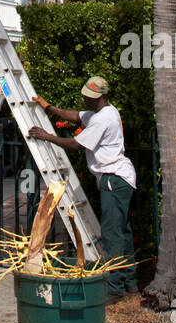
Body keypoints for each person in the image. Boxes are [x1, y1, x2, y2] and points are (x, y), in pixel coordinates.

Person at [28, 74, 137, 304]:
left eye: (90, 98)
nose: (86, 101)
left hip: (113, 179)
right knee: (123, 232)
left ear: (102, 97)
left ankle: (114, 289)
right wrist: (50, 108)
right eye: (86, 96)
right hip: (120, 178)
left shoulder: (102, 119)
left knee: (113, 235)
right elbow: (77, 116)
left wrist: (46, 136)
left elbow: (76, 144)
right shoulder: (104, 111)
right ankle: (130, 282)